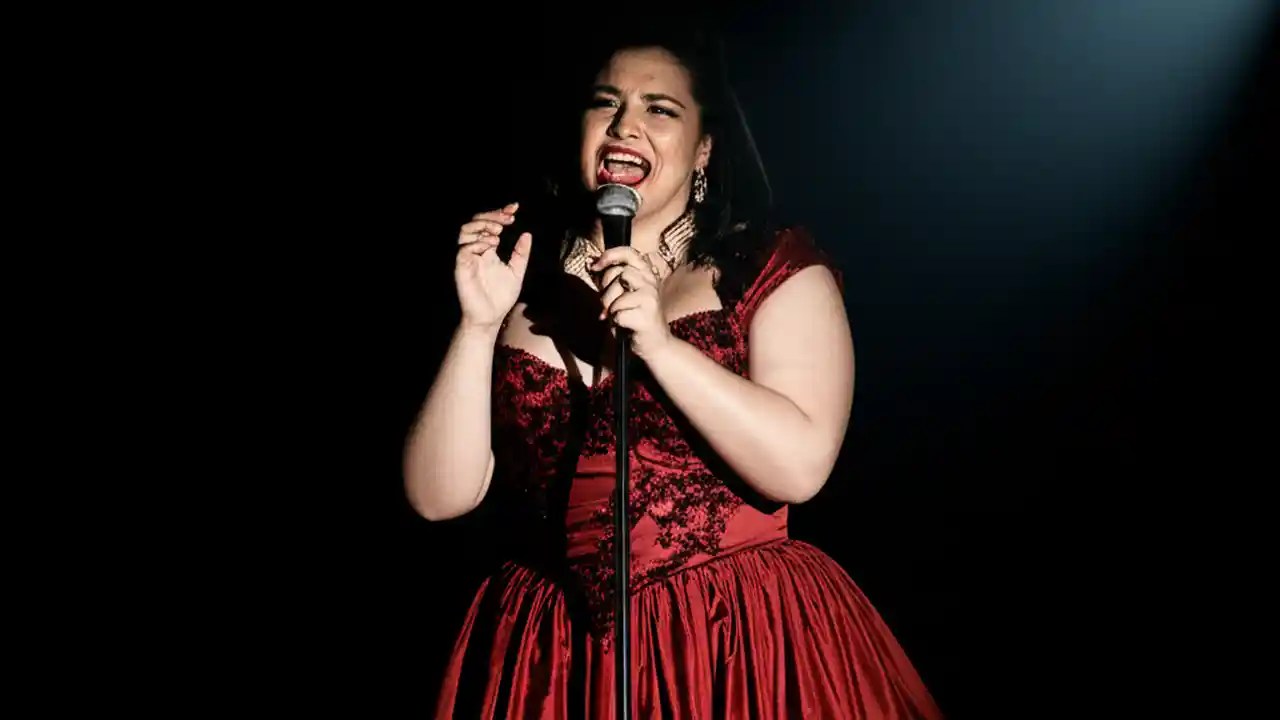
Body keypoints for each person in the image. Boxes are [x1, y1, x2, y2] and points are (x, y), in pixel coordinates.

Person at [403, 22, 944, 719]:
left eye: (660, 109)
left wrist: (659, 344)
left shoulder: (766, 268)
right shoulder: (520, 288)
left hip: (737, 637)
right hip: (554, 657)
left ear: (704, 150)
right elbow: (436, 497)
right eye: (606, 103)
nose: (625, 124)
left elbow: (801, 467)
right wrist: (477, 324)